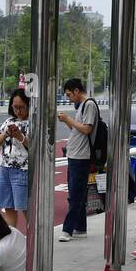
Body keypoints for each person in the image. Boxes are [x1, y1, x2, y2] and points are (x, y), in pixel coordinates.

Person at [57, 77, 98, 243]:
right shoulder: (81, 105)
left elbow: (87, 129)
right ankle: (80, 228)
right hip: (75, 155)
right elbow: (78, 130)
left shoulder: (89, 104)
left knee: (75, 195)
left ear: (76, 90)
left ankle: (67, 230)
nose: (69, 98)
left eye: (69, 94)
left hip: (82, 157)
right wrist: (68, 121)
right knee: (77, 194)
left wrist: (68, 119)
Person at [0, 88, 30, 230]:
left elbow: (36, 147)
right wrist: (7, 133)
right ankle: (11, 239)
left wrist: (20, 136)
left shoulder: (33, 122)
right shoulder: (9, 121)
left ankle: (33, 238)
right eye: (15, 107)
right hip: (5, 168)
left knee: (25, 206)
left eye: (22, 107)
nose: (18, 111)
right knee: (8, 205)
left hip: (22, 169)